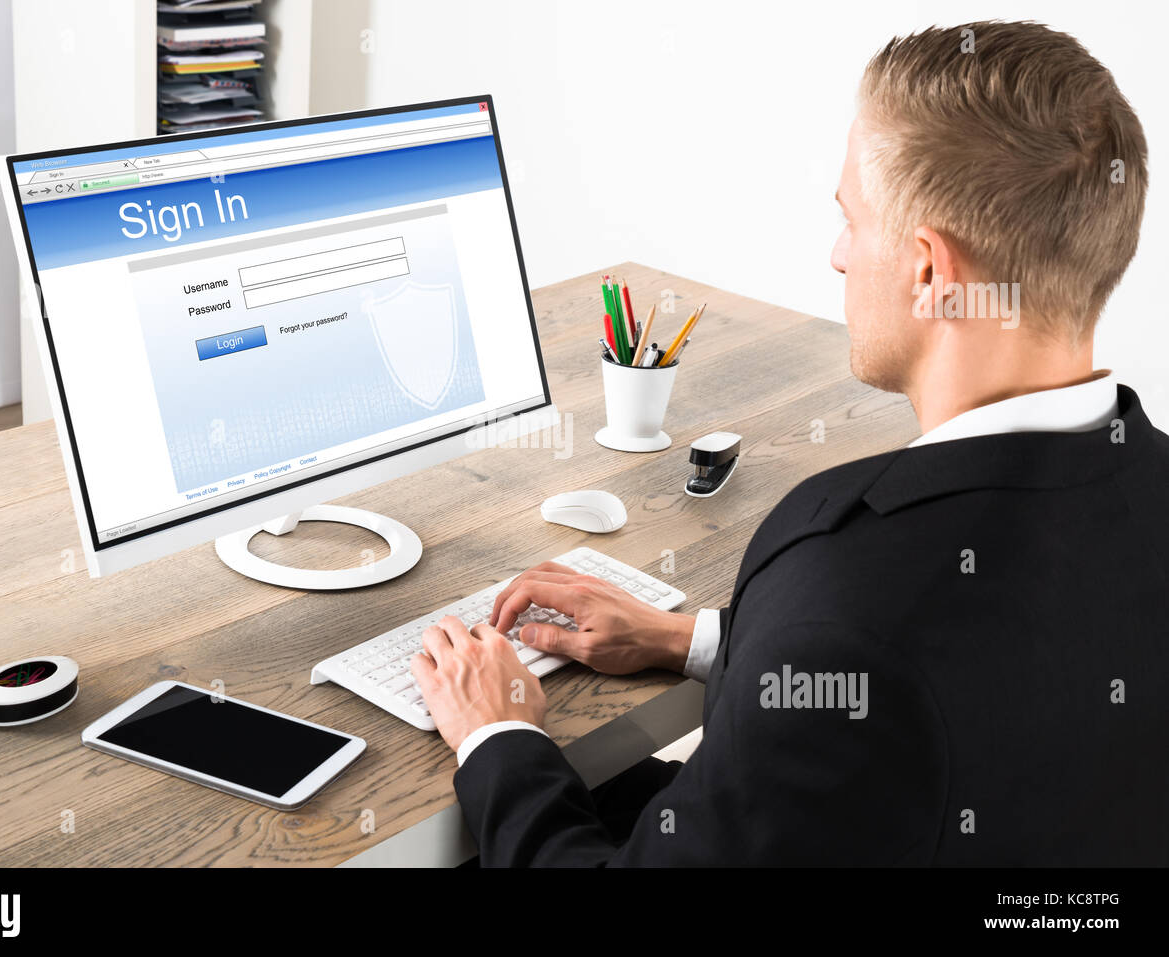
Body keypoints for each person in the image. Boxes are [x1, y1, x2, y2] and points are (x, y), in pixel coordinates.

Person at [408, 20, 1168, 865]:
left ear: (927, 269)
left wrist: (498, 739)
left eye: (852, 219)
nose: (838, 255)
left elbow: (876, 653)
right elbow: (968, 668)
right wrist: (693, 638)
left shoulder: (845, 579)